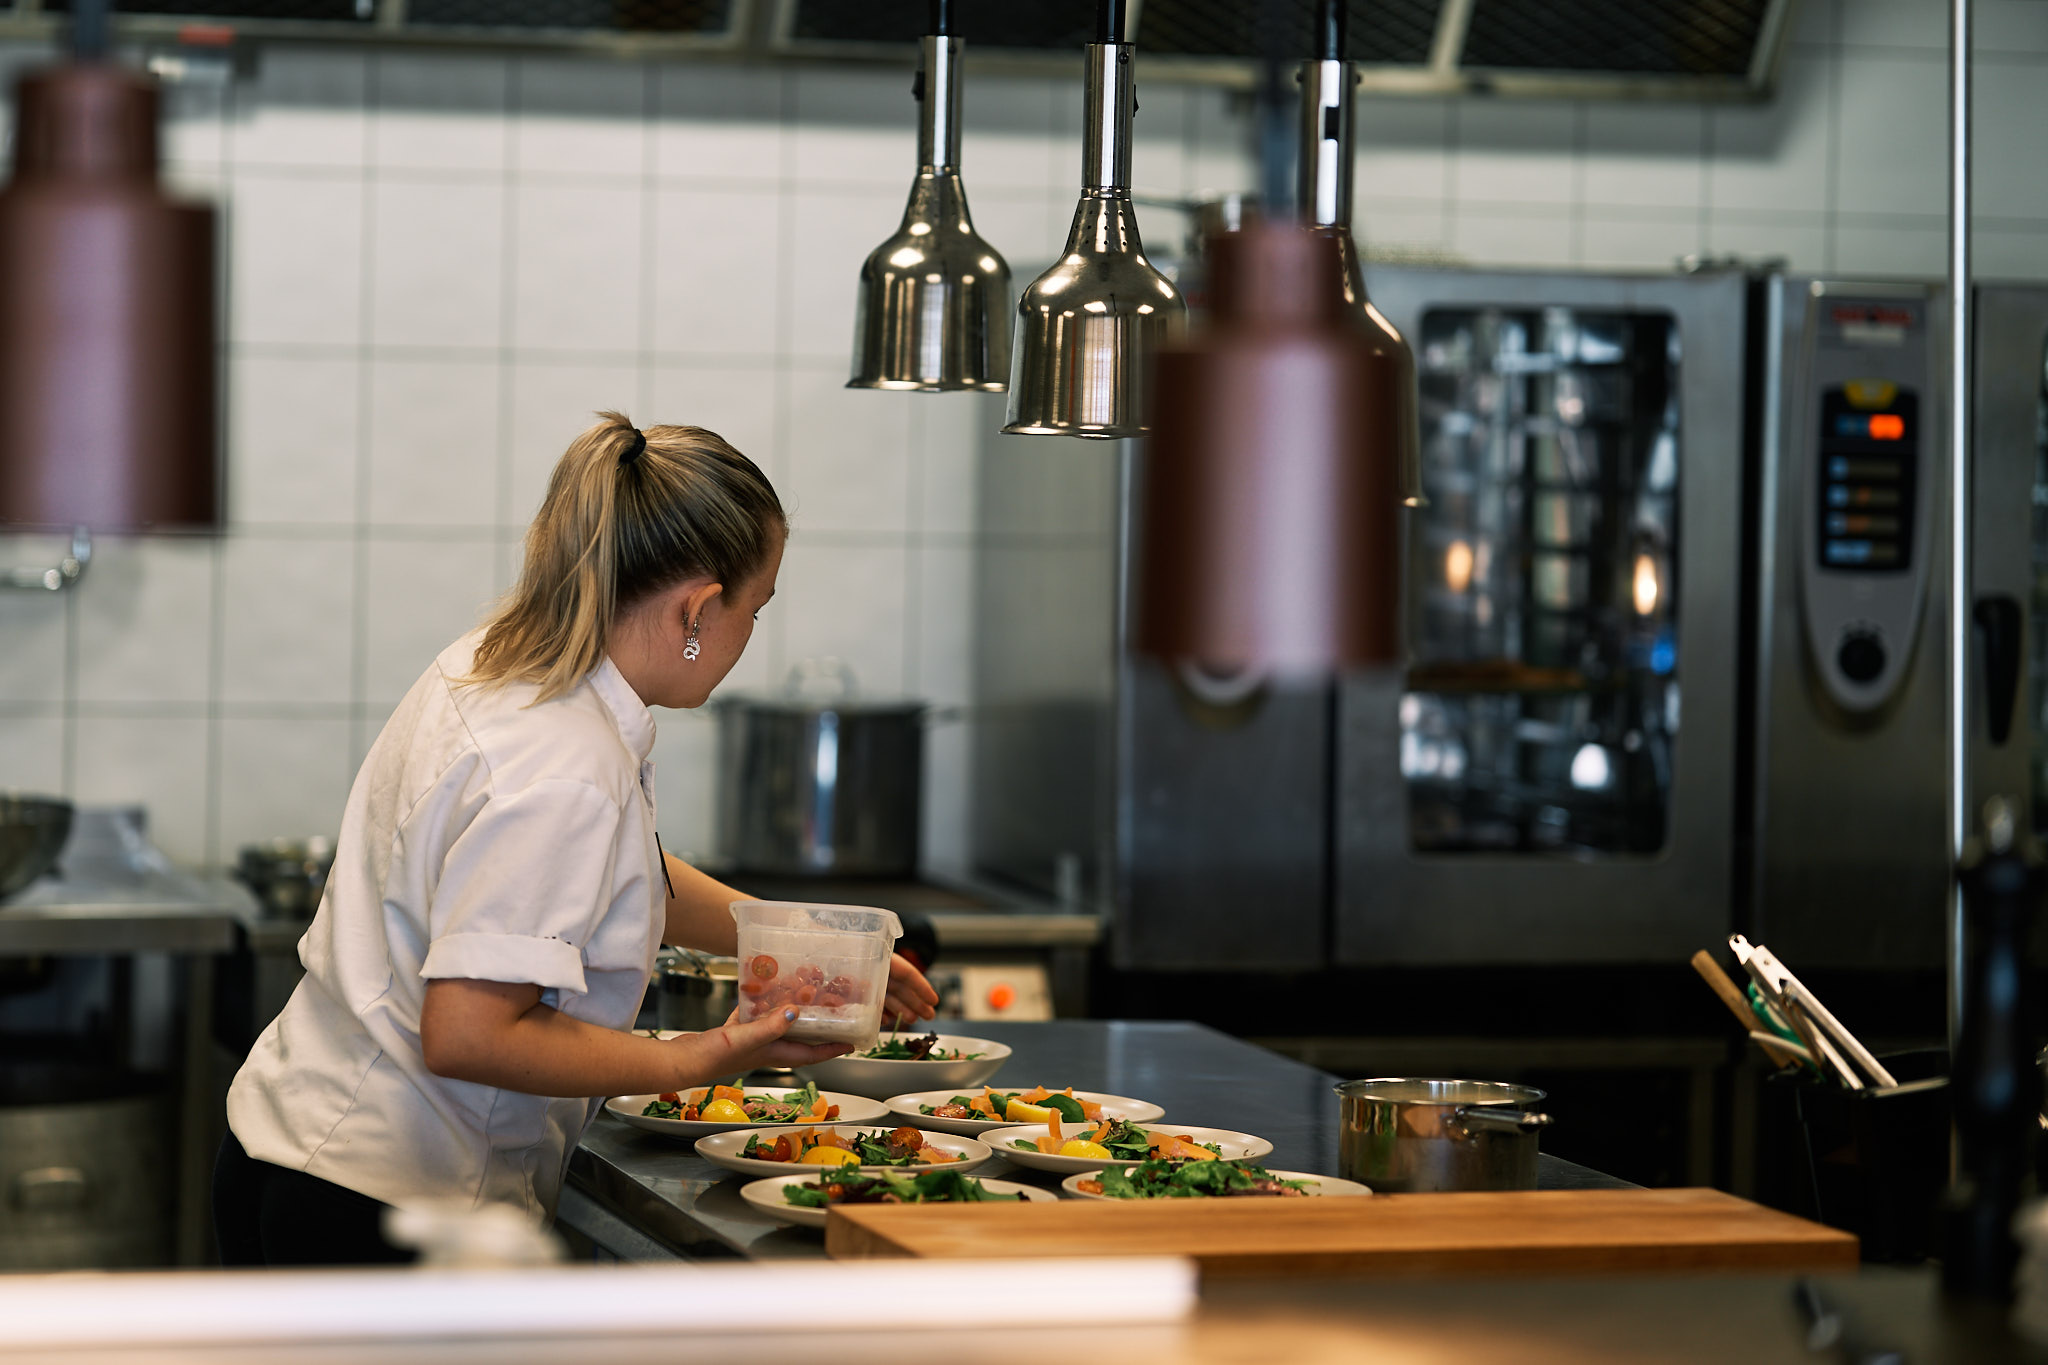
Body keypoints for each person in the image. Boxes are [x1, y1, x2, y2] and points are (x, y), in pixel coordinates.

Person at [214, 413, 938, 1266]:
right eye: (757, 606)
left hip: (297, 1159)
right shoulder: (564, 764)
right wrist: (706, 1056)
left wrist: (799, 938)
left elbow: (618, 869)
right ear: (697, 608)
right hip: (379, 1209)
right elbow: (469, 1032)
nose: (750, 636)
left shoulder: (510, 661)